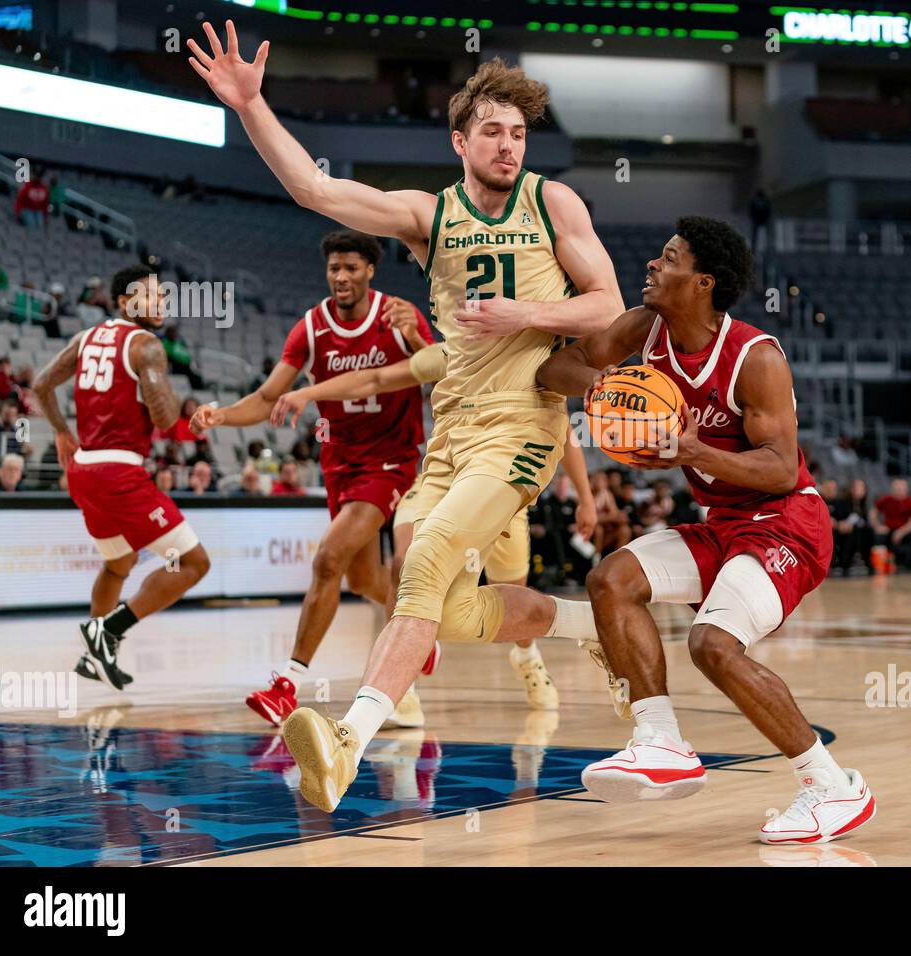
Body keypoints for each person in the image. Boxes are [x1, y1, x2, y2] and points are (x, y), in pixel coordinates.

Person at [188, 19, 626, 810]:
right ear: (460, 140)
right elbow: (316, 192)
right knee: (441, 603)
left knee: (423, 570)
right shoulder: (433, 216)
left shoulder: (552, 201)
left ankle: (349, 741)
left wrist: (523, 311)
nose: (507, 145)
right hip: (450, 436)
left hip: (522, 423)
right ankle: (584, 624)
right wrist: (252, 107)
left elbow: (609, 309)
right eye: (491, 131)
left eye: (518, 132)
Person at [537, 217, 874, 845]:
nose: (651, 266)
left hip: (788, 524)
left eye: (667, 258)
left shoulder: (756, 357)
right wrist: (607, 388)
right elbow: (560, 367)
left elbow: (778, 469)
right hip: (723, 523)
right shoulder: (647, 330)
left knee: (712, 645)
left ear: (702, 283)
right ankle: (660, 741)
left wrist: (694, 452)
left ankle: (833, 787)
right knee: (611, 579)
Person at [269, 337, 598, 717]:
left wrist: (585, 498)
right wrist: (307, 392)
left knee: (512, 589)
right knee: (407, 561)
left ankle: (527, 657)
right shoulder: (448, 354)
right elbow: (374, 379)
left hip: (502, 479)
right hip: (442, 476)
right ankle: (398, 691)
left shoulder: (525, 359)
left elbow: (566, 435)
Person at [191, 231, 436, 728]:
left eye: (351, 268)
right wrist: (223, 416)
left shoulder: (397, 314)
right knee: (361, 577)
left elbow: (439, 375)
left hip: (392, 459)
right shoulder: (311, 327)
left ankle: (287, 685)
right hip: (339, 462)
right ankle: (416, 635)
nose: (341, 277)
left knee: (327, 558)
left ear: (370, 270)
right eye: (334, 270)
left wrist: (413, 335)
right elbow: (267, 397)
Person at [31, 267, 212, 689]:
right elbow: (166, 419)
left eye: (163, 297)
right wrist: (186, 409)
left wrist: (62, 430)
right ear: (123, 302)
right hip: (119, 472)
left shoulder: (85, 338)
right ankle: (111, 628)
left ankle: (95, 656)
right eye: (149, 296)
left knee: (119, 563)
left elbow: (41, 385)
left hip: (84, 471)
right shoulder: (146, 345)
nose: (161, 303)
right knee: (193, 562)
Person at [871, 477, 911, 570]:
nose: (899, 491)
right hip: (888, 529)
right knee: (878, 536)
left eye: (901, 489)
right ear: (892, 489)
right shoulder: (886, 499)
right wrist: (877, 526)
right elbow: (873, 512)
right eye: (896, 489)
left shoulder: (910, 502)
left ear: (906, 490)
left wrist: (900, 532)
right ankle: (880, 565)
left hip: (904, 531)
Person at [831, 477, 872, 575]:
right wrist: (841, 524)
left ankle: (868, 562)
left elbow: (865, 522)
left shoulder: (863, 506)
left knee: (869, 531)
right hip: (841, 530)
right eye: (857, 488)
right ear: (852, 489)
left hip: (858, 532)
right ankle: (844, 563)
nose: (859, 491)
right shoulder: (842, 502)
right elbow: (836, 519)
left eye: (862, 488)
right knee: (853, 531)